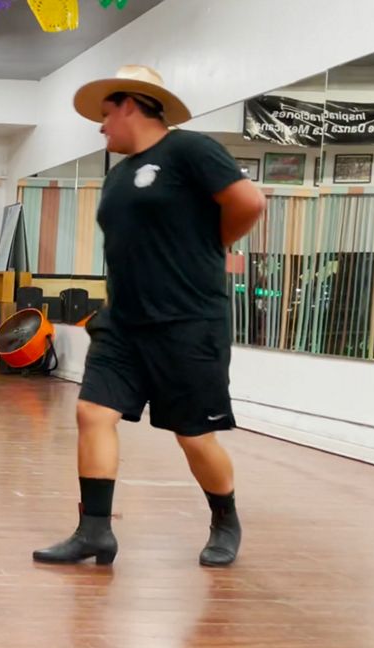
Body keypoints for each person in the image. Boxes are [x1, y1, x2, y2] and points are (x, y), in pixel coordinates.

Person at [33, 65, 267, 568]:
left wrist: (215, 243)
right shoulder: (117, 175)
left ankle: (225, 518)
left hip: (187, 320)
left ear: (131, 105)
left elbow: (249, 201)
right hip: (123, 322)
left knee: (193, 435)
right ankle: (95, 530)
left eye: (105, 114)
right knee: (92, 412)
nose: (101, 127)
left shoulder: (189, 150)